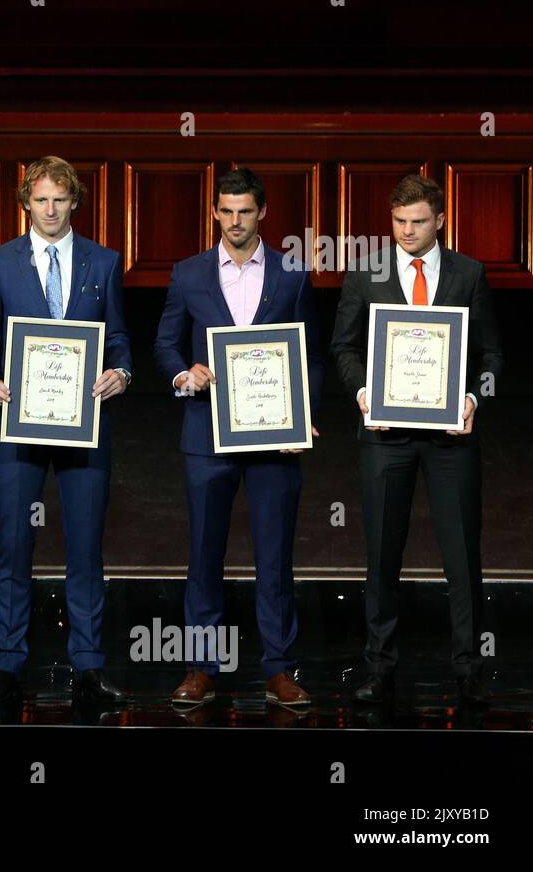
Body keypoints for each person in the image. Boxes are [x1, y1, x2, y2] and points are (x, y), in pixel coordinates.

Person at [331, 174, 503, 706]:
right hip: (386, 437)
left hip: (451, 438)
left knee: (461, 554)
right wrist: (363, 392)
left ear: (440, 220)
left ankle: (469, 671)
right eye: (399, 221)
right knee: (382, 553)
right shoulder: (366, 273)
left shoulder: (468, 274)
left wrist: (473, 400)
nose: (407, 231)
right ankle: (379, 668)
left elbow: (492, 355)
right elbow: (343, 347)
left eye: (419, 221)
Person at [153, 167, 321, 709]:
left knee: (274, 556)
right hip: (207, 436)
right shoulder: (188, 273)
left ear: (263, 213)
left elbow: (311, 356)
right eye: (225, 211)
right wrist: (185, 375)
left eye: (244, 211)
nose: (234, 221)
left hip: (275, 437)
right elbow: (165, 345)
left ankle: (278, 668)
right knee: (204, 554)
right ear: (214, 213)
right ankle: (201, 668)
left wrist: (304, 416)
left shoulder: (292, 275)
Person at [0, 156, 132, 704]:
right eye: (41, 199)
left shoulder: (104, 262)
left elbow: (120, 340)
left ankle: (88, 665)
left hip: (86, 423)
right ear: (26, 203)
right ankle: (9, 665)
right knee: (14, 543)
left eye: (60, 199)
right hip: (18, 423)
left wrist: (121, 373)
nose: (51, 209)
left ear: (74, 202)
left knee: (86, 548)